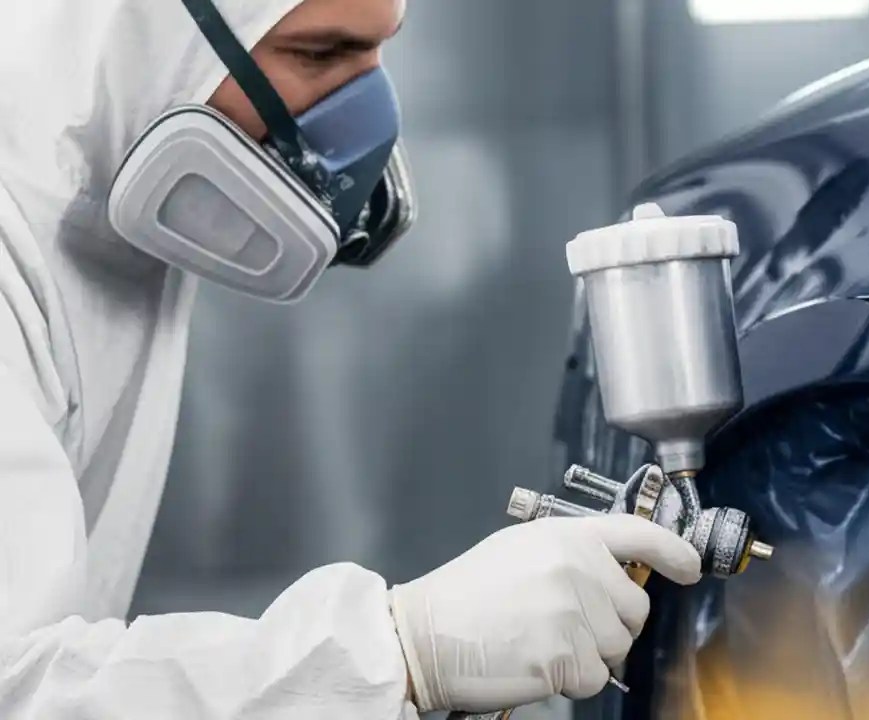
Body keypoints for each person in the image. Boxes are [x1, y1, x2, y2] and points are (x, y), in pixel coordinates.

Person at [0, 0, 702, 718]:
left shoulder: (109, 190)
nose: (366, 118)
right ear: (145, 39)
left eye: (375, 55)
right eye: (318, 56)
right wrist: (399, 651)